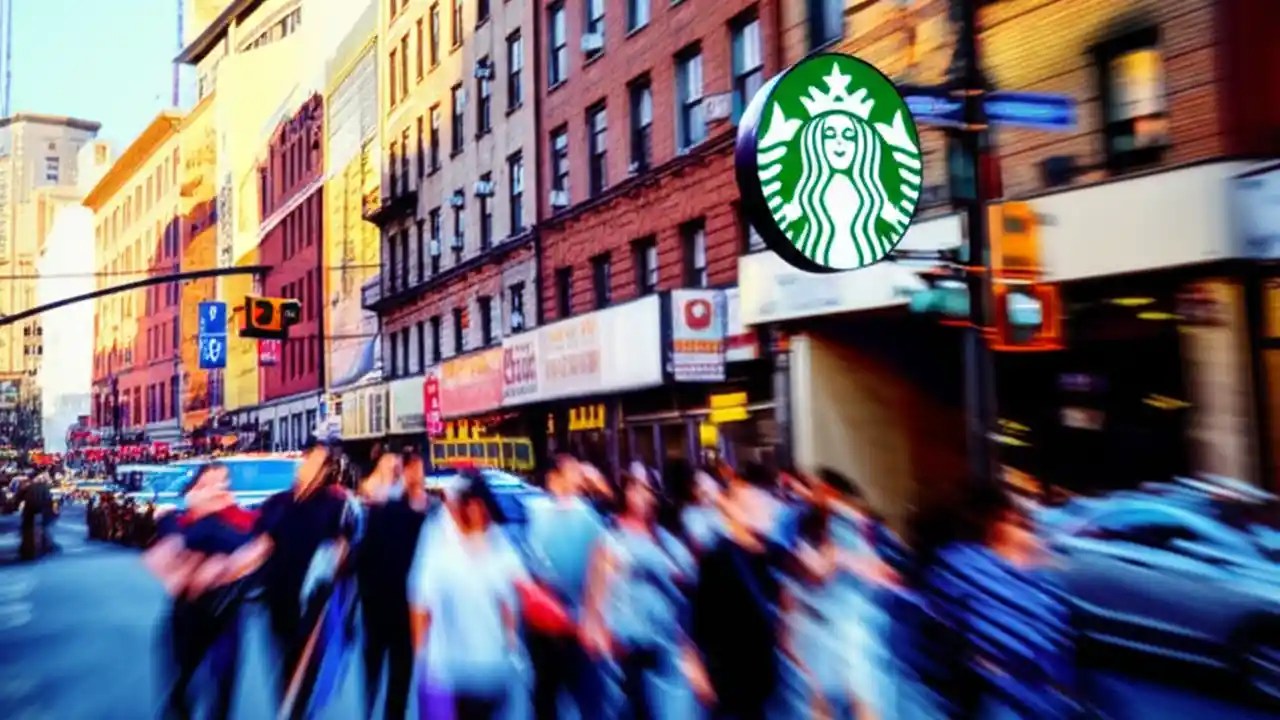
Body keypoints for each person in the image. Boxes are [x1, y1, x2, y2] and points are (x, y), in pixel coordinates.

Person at [229, 431, 358, 716]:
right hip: (278, 604)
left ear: (326, 471)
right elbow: (260, 547)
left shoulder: (335, 505)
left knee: (304, 680)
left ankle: (297, 709)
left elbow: (342, 548)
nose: (313, 467)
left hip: (314, 609)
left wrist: (332, 571)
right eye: (310, 459)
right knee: (285, 672)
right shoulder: (277, 504)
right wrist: (229, 573)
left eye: (321, 463)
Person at [142, 463, 258, 720]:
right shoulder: (178, 522)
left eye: (222, 483)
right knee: (181, 685)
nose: (216, 489)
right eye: (207, 484)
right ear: (194, 490)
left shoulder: (241, 522)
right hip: (187, 615)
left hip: (226, 616)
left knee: (222, 688)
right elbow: (170, 545)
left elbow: (250, 550)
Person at [409, 469, 526, 720]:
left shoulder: (499, 544)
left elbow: (509, 601)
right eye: (469, 504)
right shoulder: (437, 541)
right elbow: (421, 604)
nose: (476, 512)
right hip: (447, 673)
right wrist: (424, 661)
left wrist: (512, 649)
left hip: (490, 670)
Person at [582, 467, 697, 719]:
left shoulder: (668, 540)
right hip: (626, 648)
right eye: (633, 486)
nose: (640, 493)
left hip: (667, 647)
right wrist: (596, 629)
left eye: (645, 487)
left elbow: (686, 589)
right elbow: (596, 591)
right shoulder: (613, 540)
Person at [689, 460, 796, 720]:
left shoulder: (771, 555)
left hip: (767, 682)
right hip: (729, 687)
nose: (767, 514)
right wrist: (696, 668)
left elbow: (784, 607)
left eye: (766, 507)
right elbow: (697, 621)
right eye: (756, 507)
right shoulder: (717, 559)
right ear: (736, 511)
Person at [524, 454, 608, 720]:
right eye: (571, 471)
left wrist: (594, 617)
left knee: (589, 699)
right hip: (545, 626)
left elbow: (601, 566)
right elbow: (533, 569)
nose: (578, 476)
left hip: (578, 624)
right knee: (546, 696)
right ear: (554, 479)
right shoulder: (538, 513)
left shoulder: (589, 516)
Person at [357, 450, 428, 719]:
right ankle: (374, 706)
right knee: (375, 665)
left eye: (399, 469)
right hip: (378, 606)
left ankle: (388, 712)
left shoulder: (420, 512)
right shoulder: (372, 511)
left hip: (403, 606)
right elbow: (362, 560)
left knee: (398, 673)